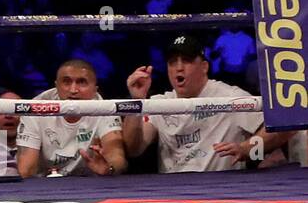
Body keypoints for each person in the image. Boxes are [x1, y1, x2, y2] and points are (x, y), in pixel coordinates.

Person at [121, 34, 292, 172]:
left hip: (222, 187)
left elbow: (283, 129)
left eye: (186, 60)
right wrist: (136, 101)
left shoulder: (228, 96)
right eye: (173, 62)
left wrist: (247, 148)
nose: (179, 68)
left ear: (204, 67)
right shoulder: (160, 103)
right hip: (172, 191)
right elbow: (134, 149)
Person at [16, 58, 126, 177]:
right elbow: (25, 169)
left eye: (82, 82)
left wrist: (109, 169)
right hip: (45, 184)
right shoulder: (36, 107)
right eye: (66, 82)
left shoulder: (105, 108)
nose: (73, 90)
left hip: (90, 185)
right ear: (56, 86)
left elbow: (117, 156)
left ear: (95, 89)